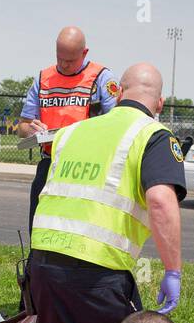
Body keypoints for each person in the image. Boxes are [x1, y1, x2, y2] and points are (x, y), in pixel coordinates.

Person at [25, 62, 186, 323]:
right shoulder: (153, 135)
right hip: (94, 269)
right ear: (160, 102)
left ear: (117, 92)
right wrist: (172, 270)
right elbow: (160, 201)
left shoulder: (75, 131)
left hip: (44, 262)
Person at [15, 26, 119, 235]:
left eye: (70, 61)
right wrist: (31, 131)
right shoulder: (43, 78)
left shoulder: (102, 79)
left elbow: (117, 124)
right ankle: (36, 265)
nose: (63, 64)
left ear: (85, 53)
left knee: (80, 230)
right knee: (40, 227)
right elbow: (22, 127)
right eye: (59, 58)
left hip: (88, 168)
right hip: (50, 164)